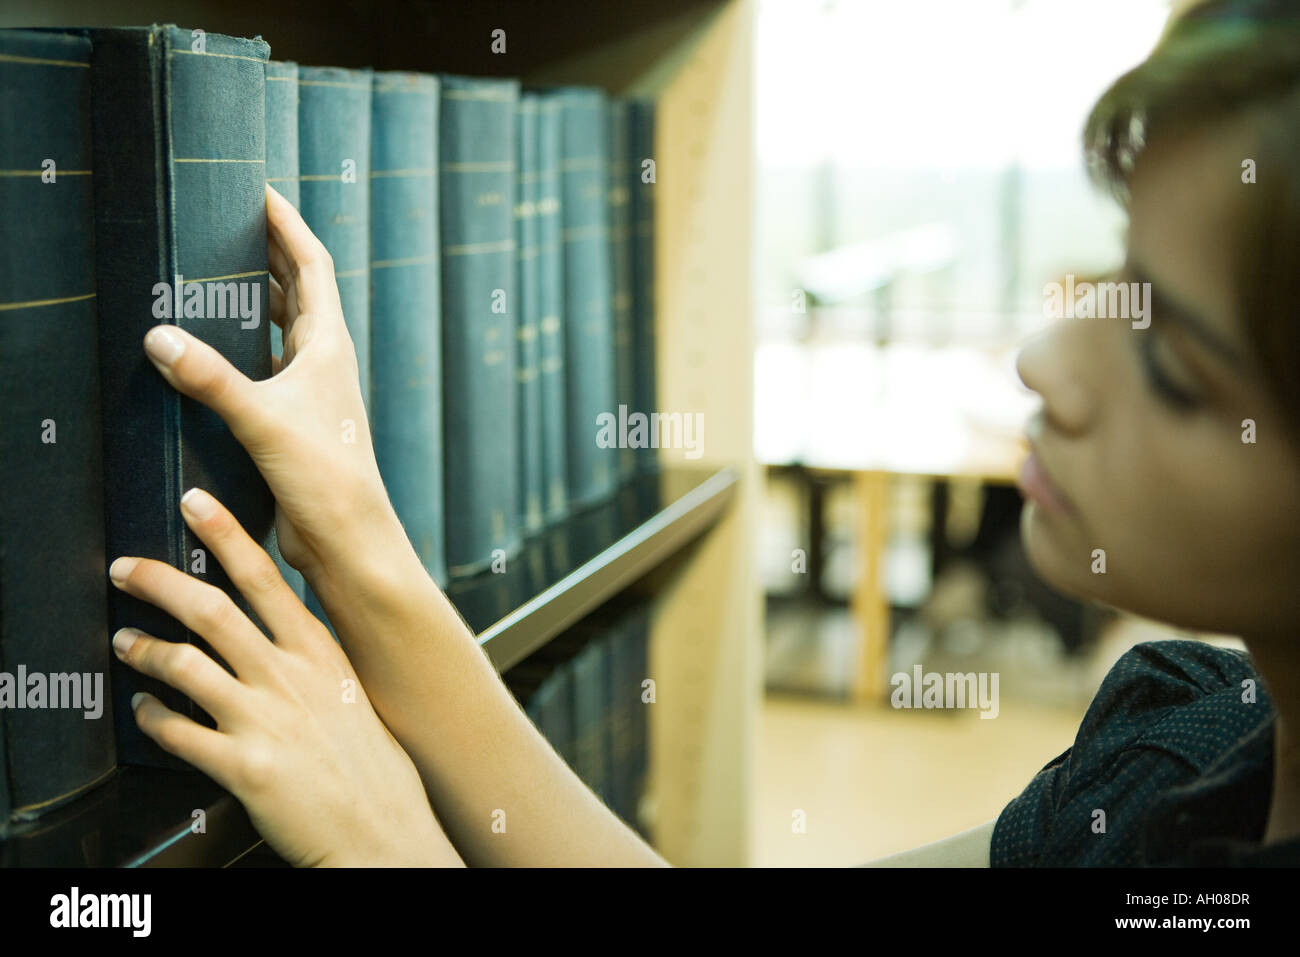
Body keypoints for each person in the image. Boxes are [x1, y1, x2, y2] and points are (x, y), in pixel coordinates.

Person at [106, 0, 1300, 866]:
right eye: (1115, 274)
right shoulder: (1177, 743)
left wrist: (385, 852)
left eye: (1171, 359)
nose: (1046, 360)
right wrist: (356, 537)